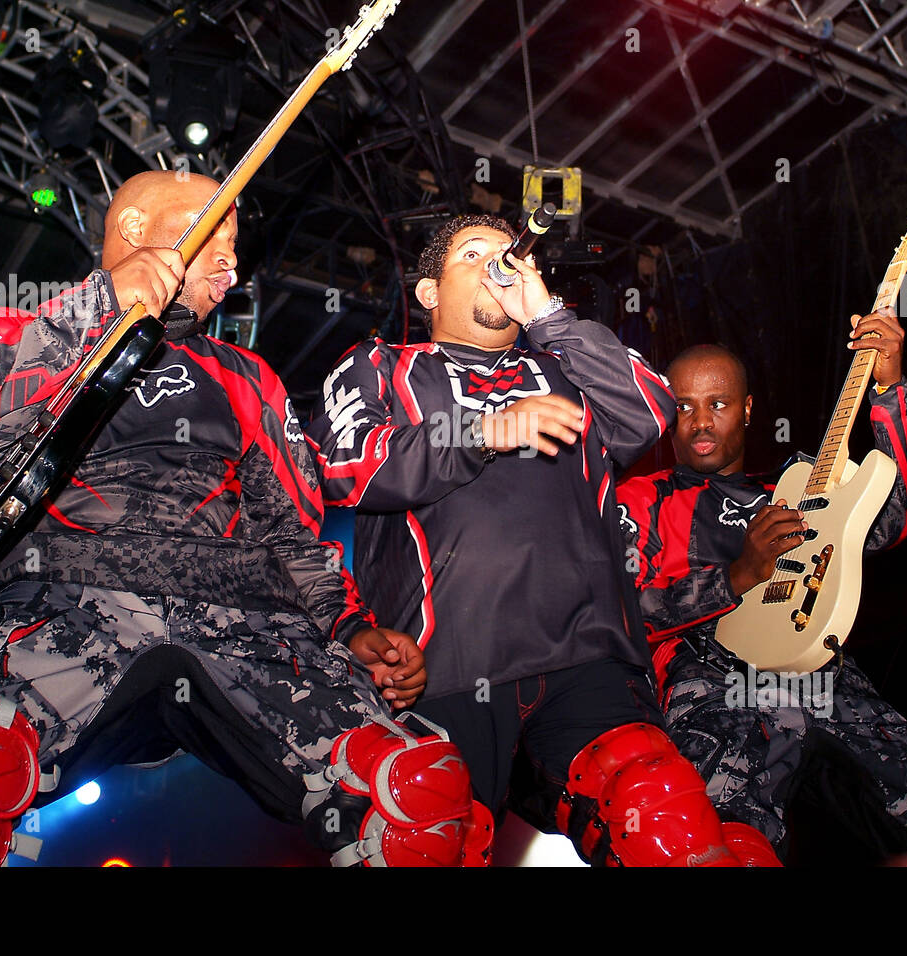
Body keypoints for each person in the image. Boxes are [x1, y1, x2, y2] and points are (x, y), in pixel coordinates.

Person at [0, 171, 487, 868]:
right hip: (64, 601)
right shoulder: (37, 325)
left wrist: (350, 628)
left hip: (243, 624)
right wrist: (102, 305)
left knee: (421, 799)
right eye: (213, 238)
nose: (230, 265)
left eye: (236, 249)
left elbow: (294, 536)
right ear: (138, 231)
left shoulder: (247, 375)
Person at [305, 213, 780, 866]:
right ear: (428, 293)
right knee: (427, 834)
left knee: (669, 821)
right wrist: (480, 433)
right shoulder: (382, 364)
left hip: (589, 655)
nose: (499, 265)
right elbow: (349, 465)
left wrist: (547, 314)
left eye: (511, 256)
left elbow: (650, 410)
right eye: (475, 255)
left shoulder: (565, 366)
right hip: (443, 662)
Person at [617, 310, 907, 861]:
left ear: (749, 409)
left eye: (719, 404)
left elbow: (889, 520)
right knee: (719, 841)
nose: (701, 422)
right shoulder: (641, 500)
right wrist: (735, 578)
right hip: (712, 690)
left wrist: (889, 387)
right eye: (683, 406)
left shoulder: (794, 487)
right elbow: (619, 617)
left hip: (824, 677)